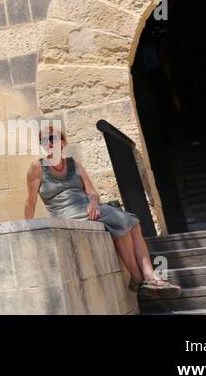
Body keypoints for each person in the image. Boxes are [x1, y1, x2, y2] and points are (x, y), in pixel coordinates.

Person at [24, 122, 180, 295]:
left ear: (63, 142)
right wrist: (28, 229)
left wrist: (93, 202)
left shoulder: (74, 164)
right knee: (120, 220)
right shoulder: (37, 168)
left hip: (85, 206)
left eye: (52, 138)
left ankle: (148, 277)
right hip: (63, 211)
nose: (48, 143)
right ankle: (140, 279)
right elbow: (30, 201)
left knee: (133, 222)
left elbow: (92, 192)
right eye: (43, 140)